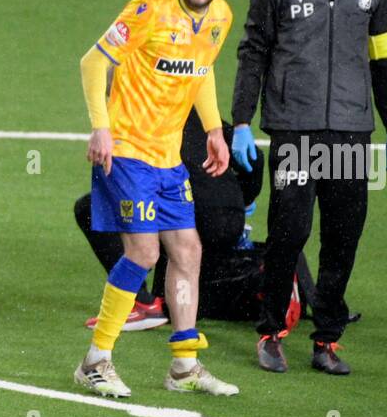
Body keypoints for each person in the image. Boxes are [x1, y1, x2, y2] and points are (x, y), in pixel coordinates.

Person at [231, 0, 387, 376]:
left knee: (342, 236)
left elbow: (383, 63)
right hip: (294, 131)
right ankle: (270, 332)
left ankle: (327, 339)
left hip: (351, 133)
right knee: (289, 233)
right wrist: (241, 120)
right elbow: (253, 55)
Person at [76, 0, 240, 399]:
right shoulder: (148, 10)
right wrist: (100, 127)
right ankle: (96, 360)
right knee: (144, 253)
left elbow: (202, 70)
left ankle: (184, 366)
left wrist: (212, 129)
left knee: (188, 252)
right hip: (126, 151)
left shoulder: (220, 18)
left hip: (169, 159)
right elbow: (93, 61)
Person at [74, 116, 267, 330]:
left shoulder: (139, 116)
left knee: (89, 207)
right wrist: (242, 200)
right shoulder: (198, 111)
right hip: (230, 222)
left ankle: (141, 303)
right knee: (173, 296)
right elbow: (255, 158)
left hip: (187, 215)